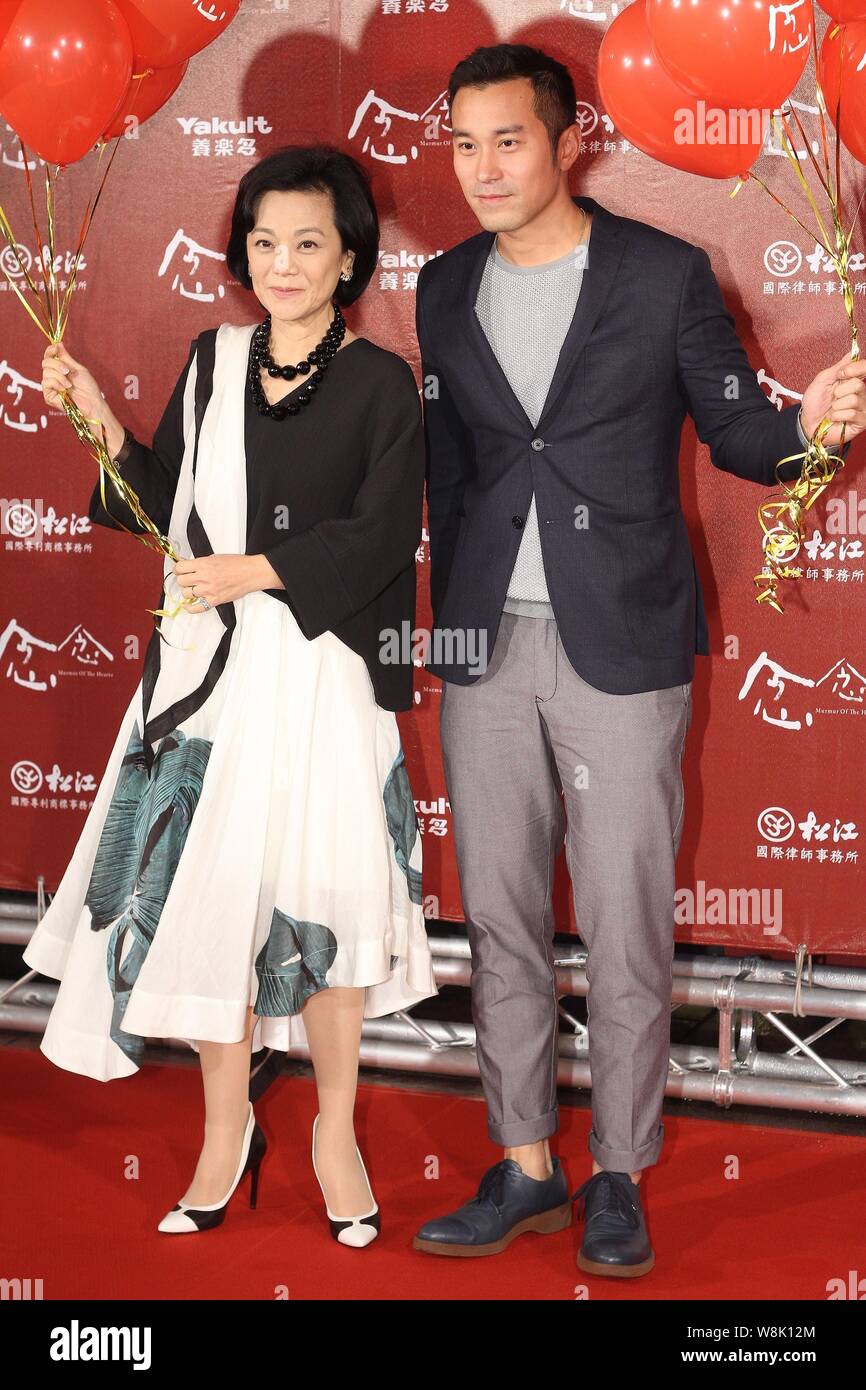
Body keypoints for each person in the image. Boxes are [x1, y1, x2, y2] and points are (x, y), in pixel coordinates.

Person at [412, 44, 865, 1275]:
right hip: (485, 650)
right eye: (462, 143)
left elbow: (736, 434)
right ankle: (522, 1165)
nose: (482, 167)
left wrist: (806, 430)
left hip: (619, 646)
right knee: (499, 920)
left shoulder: (663, 274)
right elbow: (451, 480)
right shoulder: (441, 288)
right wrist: (446, 642)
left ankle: (617, 1168)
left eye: (507, 139)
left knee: (622, 925)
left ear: (567, 142)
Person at [24, 143, 438, 1246]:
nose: (284, 262)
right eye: (264, 242)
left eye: (308, 243)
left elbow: (383, 531)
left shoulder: (380, 383)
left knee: (329, 902)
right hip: (209, 669)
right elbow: (169, 505)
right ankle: (223, 1133)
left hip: (321, 673)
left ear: (349, 257)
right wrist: (101, 425)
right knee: (208, 899)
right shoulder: (211, 361)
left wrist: (259, 570)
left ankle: (334, 1134)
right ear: (241, 251)